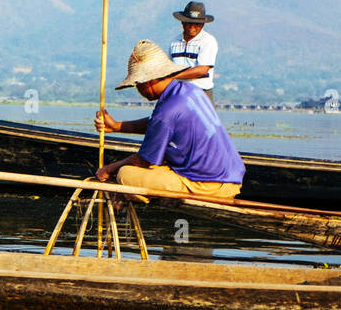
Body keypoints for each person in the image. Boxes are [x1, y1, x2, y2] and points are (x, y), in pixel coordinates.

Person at [94, 40, 244, 200]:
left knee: (126, 174)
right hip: (231, 178)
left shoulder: (167, 111)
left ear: (148, 81)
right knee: (157, 166)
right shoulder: (190, 90)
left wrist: (109, 169)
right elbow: (156, 124)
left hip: (208, 185)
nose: (138, 90)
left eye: (138, 84)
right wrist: (117, 126)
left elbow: (143, 160)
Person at [167, 0, 218, 102]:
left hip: (201, 93)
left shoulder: (208, 41)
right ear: (182, 22)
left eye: (197, 23)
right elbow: (168, 66)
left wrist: (172, 75)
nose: (192, 26)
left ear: (203, 24)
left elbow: (201, 70)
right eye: (189, 22)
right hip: (178, 92)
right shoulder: (174, 42)